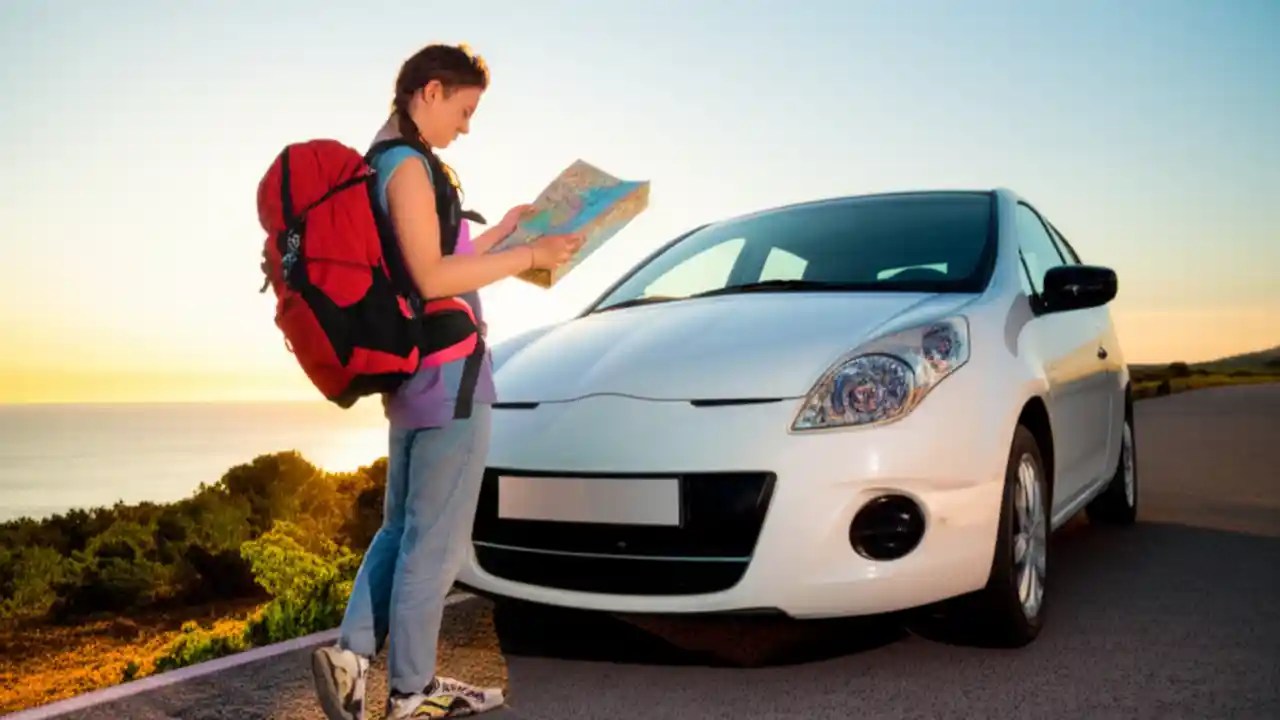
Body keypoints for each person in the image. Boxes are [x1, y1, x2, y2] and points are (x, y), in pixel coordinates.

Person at [310, 43, 582, 720]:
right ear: (429, 92)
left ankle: (353, 658)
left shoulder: (383, 160)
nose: (466, 126)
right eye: (463, 110)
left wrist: (507, 232)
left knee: (402, 528)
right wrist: (530, 254)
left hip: (413, 377)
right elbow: (433, 280)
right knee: (434, 542)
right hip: (449, 372)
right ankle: (410, 691)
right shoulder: (407, 168)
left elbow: (432, 261)